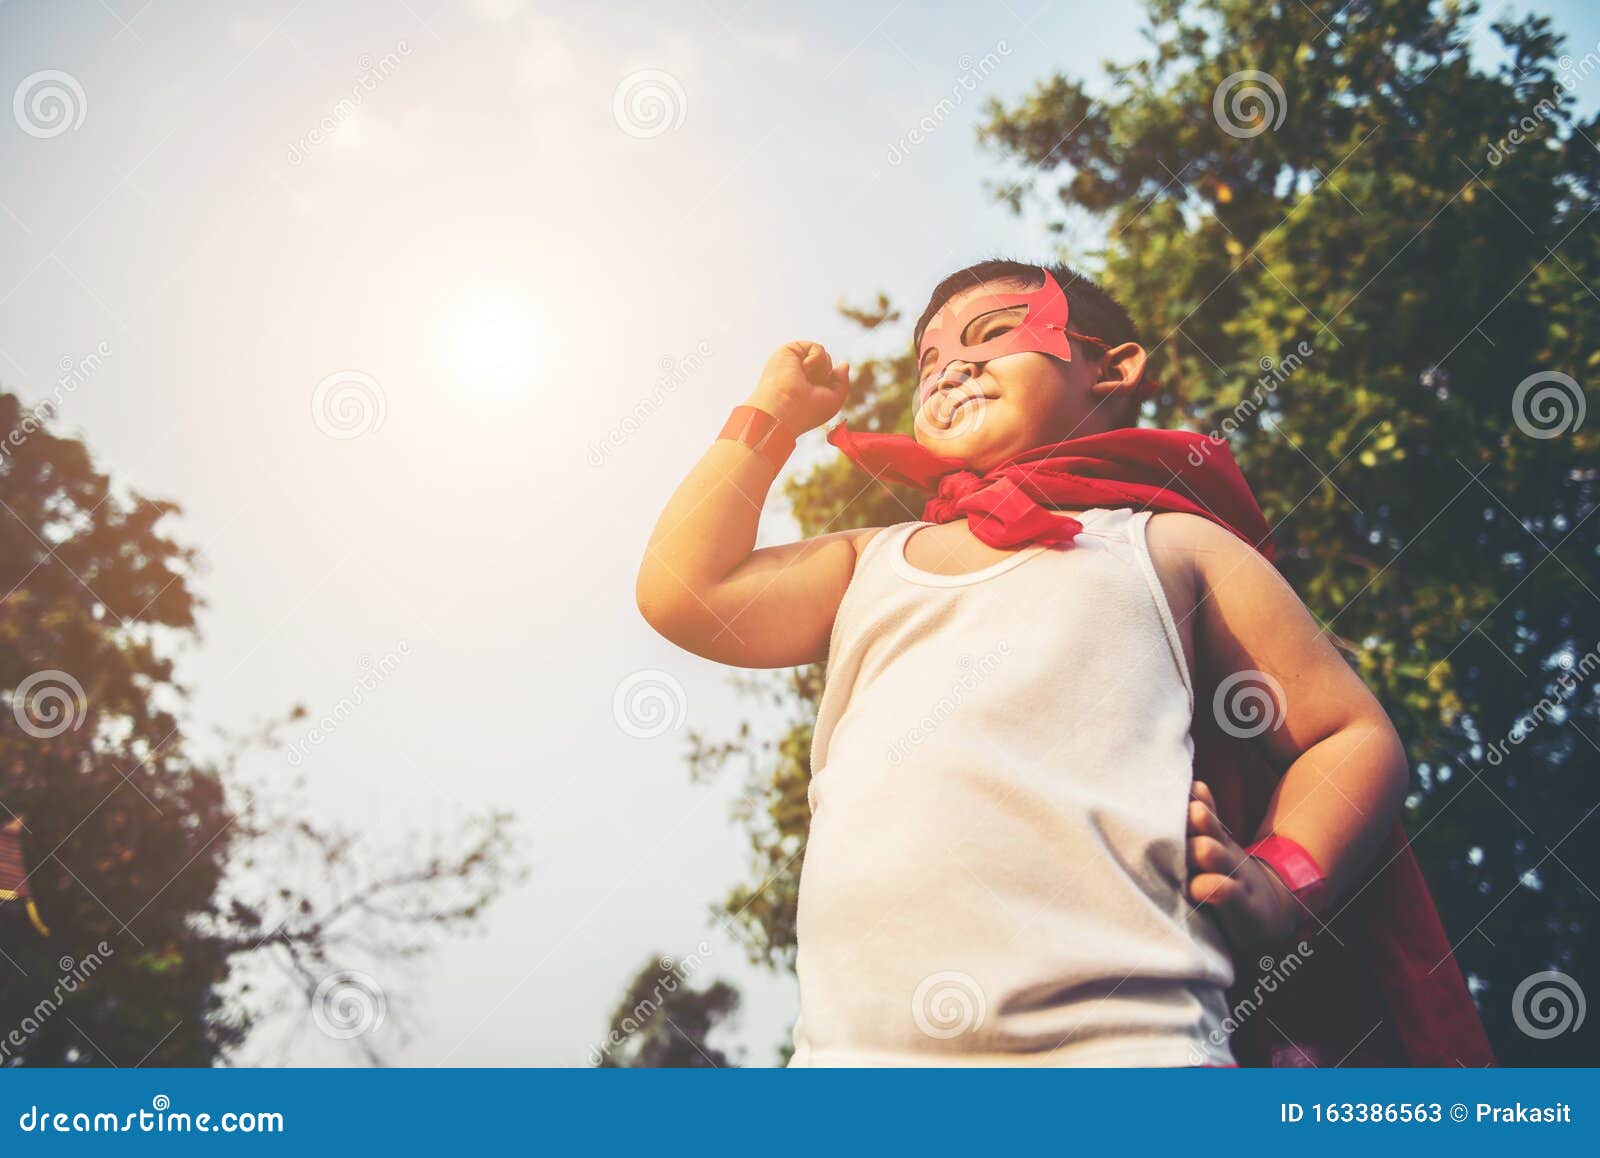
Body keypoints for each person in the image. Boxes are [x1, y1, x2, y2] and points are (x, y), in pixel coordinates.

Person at [635, 258, 1491, 1067]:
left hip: (1133, 1052)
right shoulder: (869, 560)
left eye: (992, 333)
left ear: (1110, 369)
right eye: (928, 361)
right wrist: (770, 417)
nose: (949, 367)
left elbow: (1347, 734)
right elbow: (687, 591)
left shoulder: (1170, 545)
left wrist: (1283, 879)